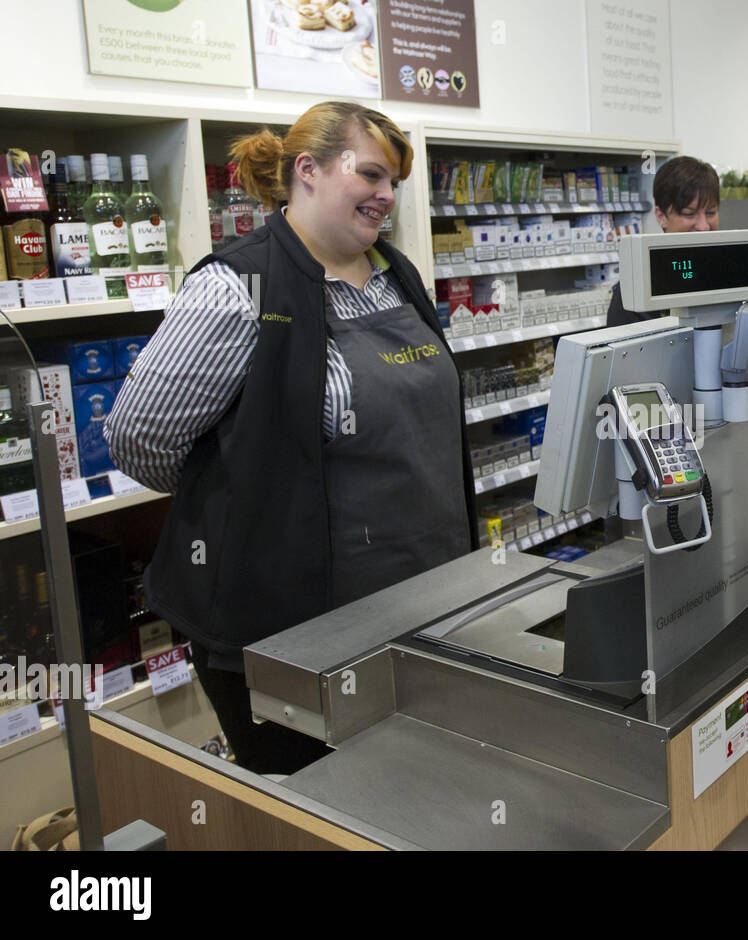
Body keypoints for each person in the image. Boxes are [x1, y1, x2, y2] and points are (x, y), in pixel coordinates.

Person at [105, 102, 478, 775]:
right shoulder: (237, 288)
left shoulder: (399, 276)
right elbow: (138, 441)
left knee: (409, 795)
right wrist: (248, 485)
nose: (387, 197)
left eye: (394, 181)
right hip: (293, 635)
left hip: (418, 605)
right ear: (307, 170)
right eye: (370, 174)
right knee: (322, 810)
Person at [605, 155, 720, 327]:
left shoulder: (725, 271)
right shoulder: (638, 287)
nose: (704, 226)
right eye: (689, 213)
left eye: (710, 213)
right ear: (661, 216)